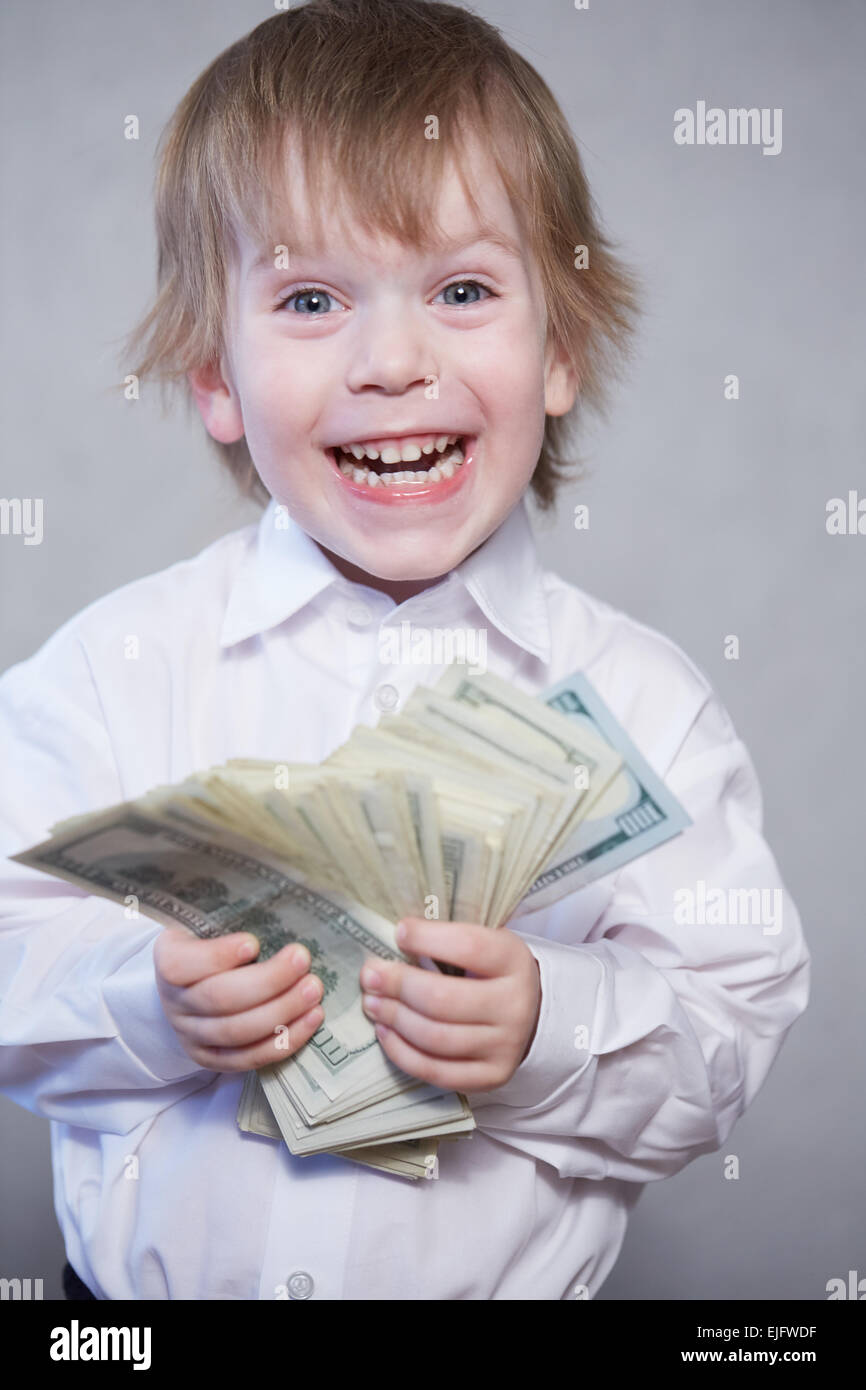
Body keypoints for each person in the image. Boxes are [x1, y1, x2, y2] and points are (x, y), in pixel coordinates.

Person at [0, 0, 809, 1301]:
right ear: (214, 369)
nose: (391, 360)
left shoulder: (642, 706)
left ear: (562, 348)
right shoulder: (111, 671)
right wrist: (143, 998)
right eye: (311, 297)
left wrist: (552, 1024)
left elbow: (724, 1037)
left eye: (463, 289)